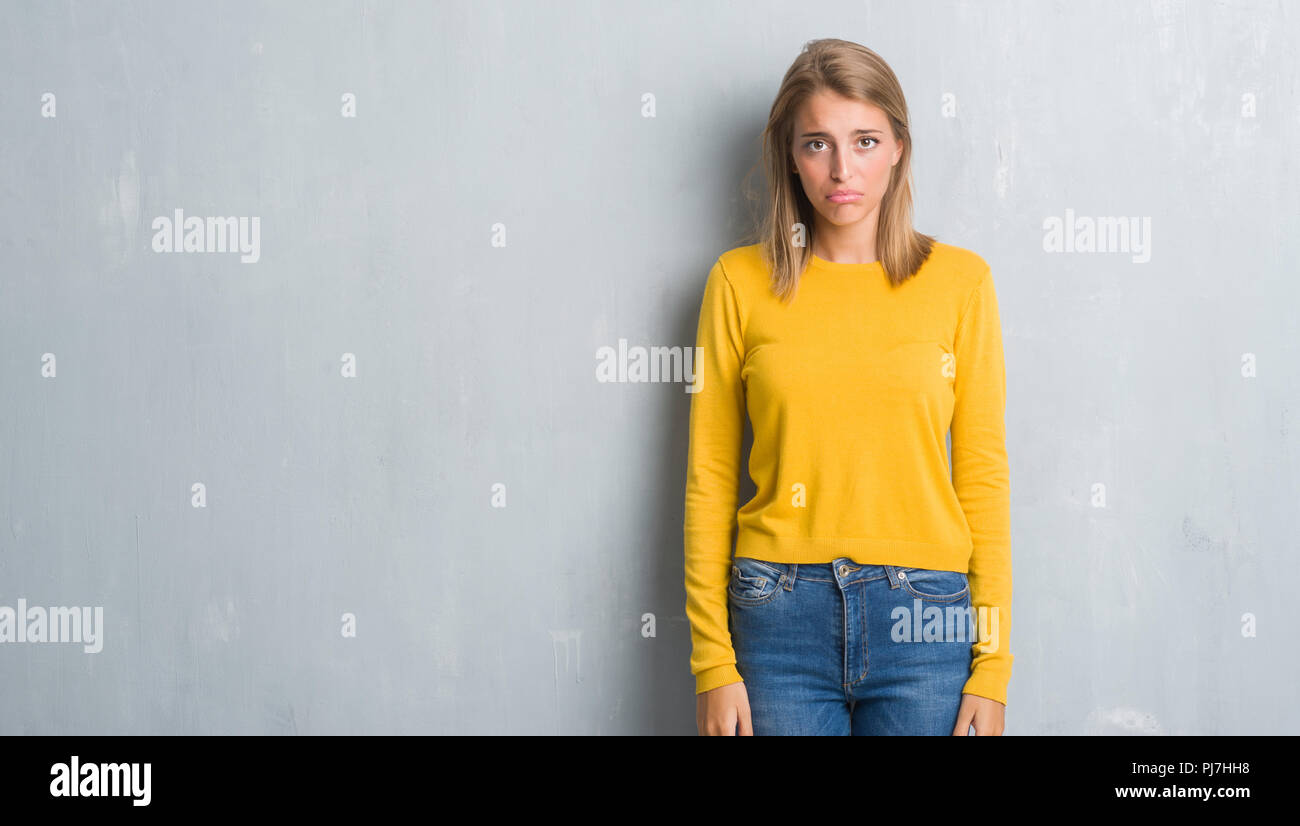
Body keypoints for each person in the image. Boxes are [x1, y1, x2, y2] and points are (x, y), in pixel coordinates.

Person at [684, 38, 1012, 735]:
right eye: (816, 144)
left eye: (864, 140)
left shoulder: (962, 284)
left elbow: (982, 476)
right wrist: (713, 662)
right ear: (789, 155)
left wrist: (993, 665)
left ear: (897, 146)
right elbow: (710, 479)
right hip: (777, 620)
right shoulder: (738, 284)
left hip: (926, 618)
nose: (842, 170)